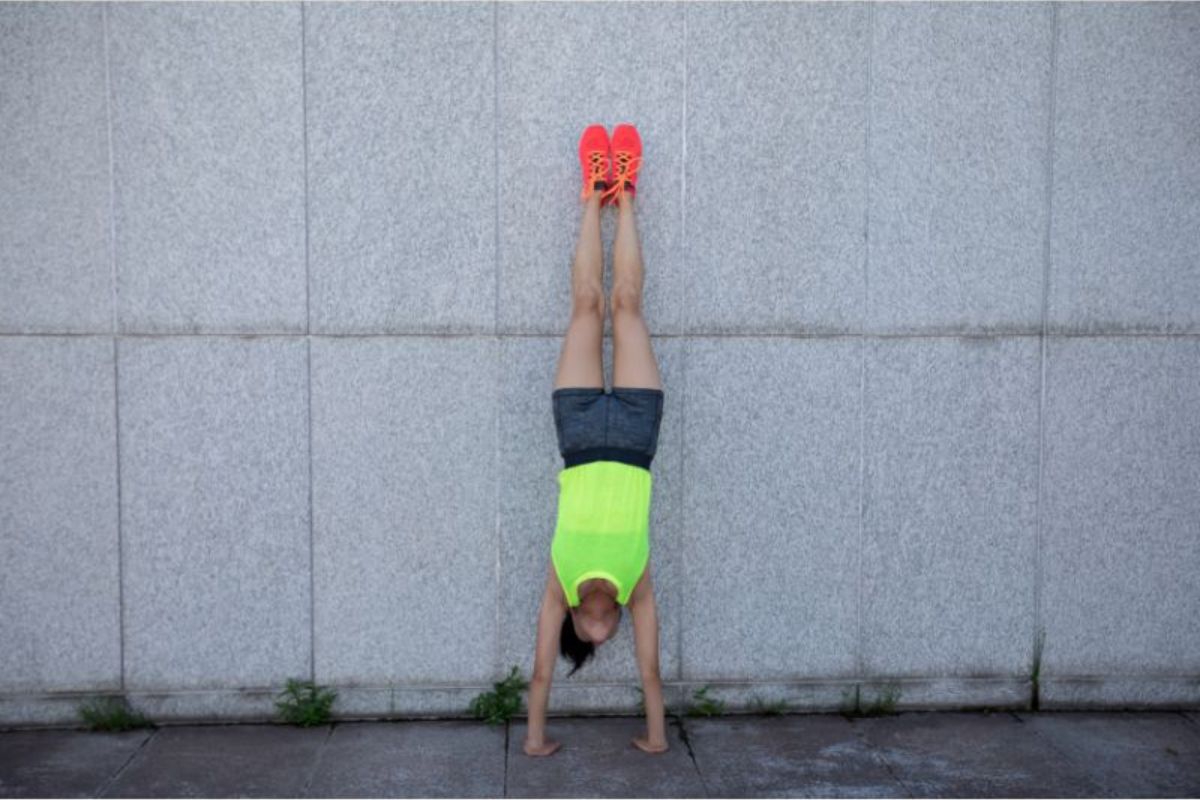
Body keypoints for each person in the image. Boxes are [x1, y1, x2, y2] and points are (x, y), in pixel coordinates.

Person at [522, 124, 669, 758]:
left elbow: (539, 675)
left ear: (577, 625)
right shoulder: (636, 584)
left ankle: (593, 194)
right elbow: (652, 674)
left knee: (586, 306)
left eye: (591, 630)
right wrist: (658, 740)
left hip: (578, 432)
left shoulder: (561, 581)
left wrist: (533, 741)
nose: (602, 627)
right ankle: (626, 194)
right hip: (637, 435)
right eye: (610, 631)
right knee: (628, 306)